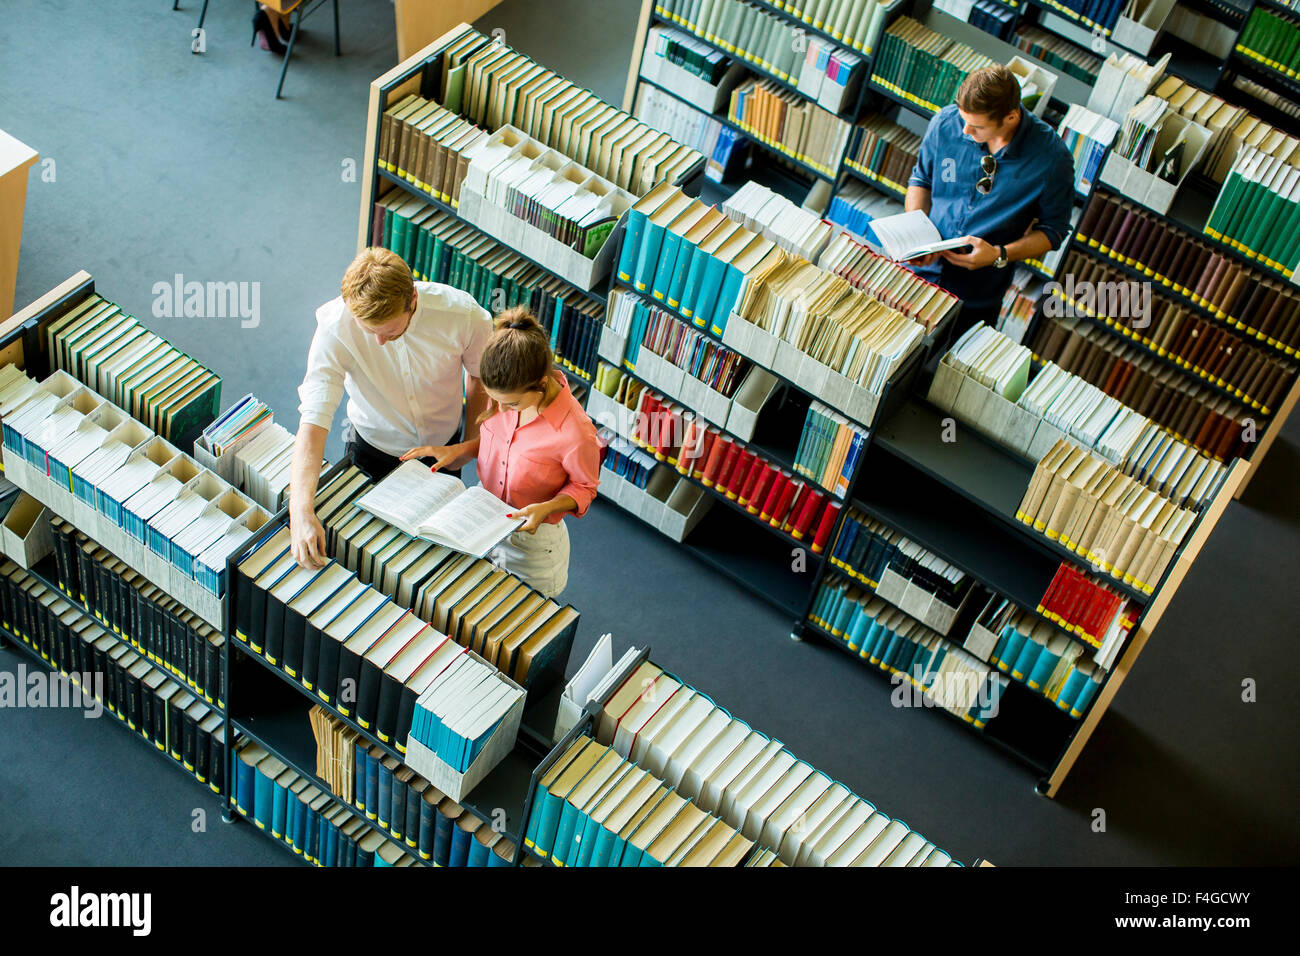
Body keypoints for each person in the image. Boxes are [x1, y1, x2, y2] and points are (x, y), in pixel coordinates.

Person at [290, 247, 491, 568]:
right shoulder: (334, 328)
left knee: (433, 564)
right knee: (368, 556)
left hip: (445, 452)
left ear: (412, 299)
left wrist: (471, 444)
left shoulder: (463, 315)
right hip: (371, 451)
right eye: (371, 332)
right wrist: (300, 511)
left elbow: (480, 376)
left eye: (391, 332)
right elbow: (313, 422)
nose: (380, 342)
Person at [402, 308, 600, 598]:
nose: (502, 410)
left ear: (541, 384)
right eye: (496, 401)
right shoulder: (503, 395)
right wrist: (457, 451)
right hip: (483, 521)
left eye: (512, 404)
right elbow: (498, 445)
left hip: (531, 543)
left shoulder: (576, 432)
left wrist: (547, 507)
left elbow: (584, 487)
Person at [905, 65, 1075, 337]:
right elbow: (921, 180)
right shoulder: (946, 123)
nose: (964, 130)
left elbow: (1053, 232)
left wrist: (999, 254)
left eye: (977, 126)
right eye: (963, 119)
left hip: (976, 296)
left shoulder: (1053, 160)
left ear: (1010, 117)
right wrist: (916, 234)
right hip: (916, 274)